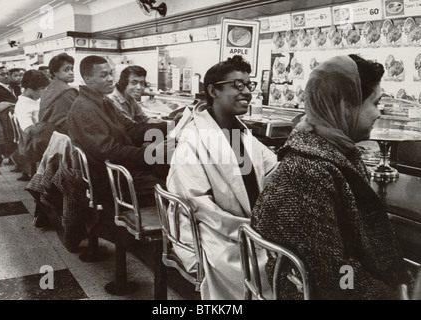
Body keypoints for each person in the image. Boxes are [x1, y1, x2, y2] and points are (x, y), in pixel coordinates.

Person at [251, 54, 413, 300]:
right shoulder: (307, 174)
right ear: (346, 106)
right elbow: (334, 278)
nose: (378, 113)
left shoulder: (334, 153)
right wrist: (392, 294)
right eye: (374, 103)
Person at [166, 55, 278, 300]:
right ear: (213, 91)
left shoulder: (242, 133)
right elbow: (198, 206)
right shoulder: (192, 140)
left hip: (248, 230)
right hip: (214, 235)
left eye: (249, 85)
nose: (247, 92)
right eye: (237, 85)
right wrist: (254, 230)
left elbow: (275, 173)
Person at [67, 55, 168, 216]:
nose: (110, 79)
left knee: (167, 170)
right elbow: (109, 151)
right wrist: (152, 153)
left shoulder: (104, 102)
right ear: (88, 79)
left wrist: (170, 127)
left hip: (119, 170)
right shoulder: (83, 109)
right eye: (103, 75)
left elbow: (134, 130)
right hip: (109, 178)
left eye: (111, 74)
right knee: (171, 186)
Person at [14, 70, 50, 181]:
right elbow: (28, 130)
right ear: (30, 89)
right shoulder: (23, 105)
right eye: (41, 89)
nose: (44, 92)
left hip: (40, 137)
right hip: (34, 143)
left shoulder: (35, 99)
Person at [39, 53, 78, 135]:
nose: (71, 73)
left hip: (47, 136)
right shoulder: (67, 91)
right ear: (55, 72)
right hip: (63, 137)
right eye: (66, 70)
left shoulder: (49, 88)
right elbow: (77, 119)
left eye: (72, 69)